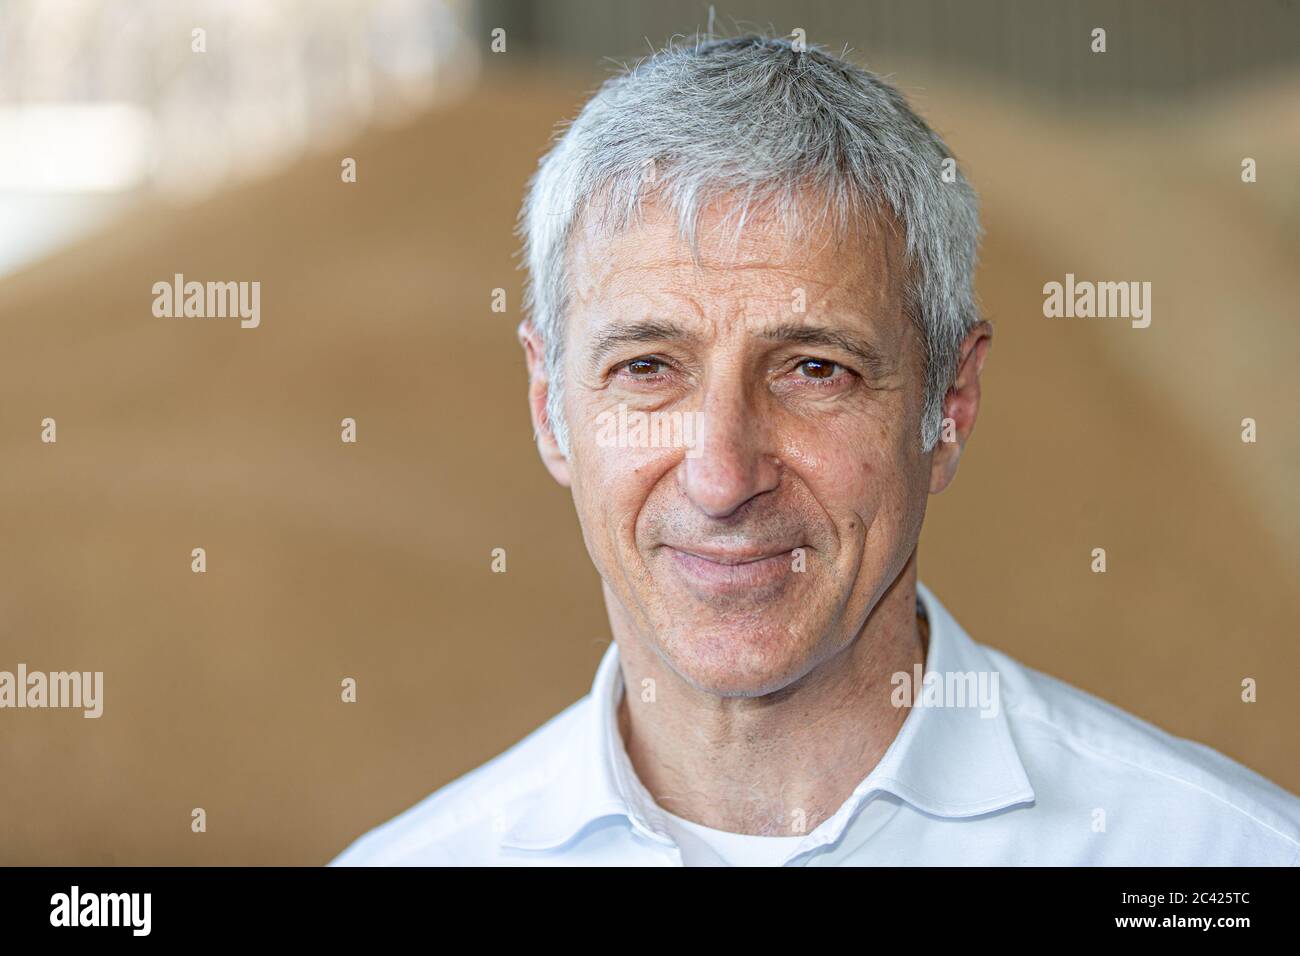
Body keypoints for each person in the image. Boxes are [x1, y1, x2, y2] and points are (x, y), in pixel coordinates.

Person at [332, 35, 1299, 866]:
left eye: (813, 371)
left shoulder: (1215, 858)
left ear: (949, 405)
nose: (720, 477)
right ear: (550, 409)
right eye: (647, 367)